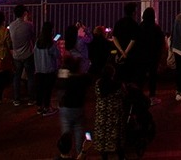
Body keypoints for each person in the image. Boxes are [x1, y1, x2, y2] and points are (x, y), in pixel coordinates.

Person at [58, 31, 90, 159]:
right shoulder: (82, 78)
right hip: (79, 108)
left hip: (66, 107)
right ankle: (80, 154)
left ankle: (66, 154)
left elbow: (59, 83)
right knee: (79, 131)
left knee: (66, 133)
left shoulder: (65, 76)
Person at [89, 68, 125, 160]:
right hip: (113, 116)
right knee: (115, 137)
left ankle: (104, 157)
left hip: (101, 115)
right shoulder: (117, 85)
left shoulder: (98, 84)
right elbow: (123, 94)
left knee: (102, 137)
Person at [9, 3, 36, 107]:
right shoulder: (29, 25)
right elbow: (32, 37)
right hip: (27, 54)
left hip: (16, 55)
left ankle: (16, 99)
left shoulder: (11, 25)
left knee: (16, 77)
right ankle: (31, 99)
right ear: (24, 13)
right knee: (30, 76)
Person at [135, 7, 164, 101]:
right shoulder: (156, 28)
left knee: (141, 77)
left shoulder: (140, 27)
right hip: (153, 56)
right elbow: (160, 42)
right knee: (152, 77)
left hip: (142, 56)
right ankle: (152, 96)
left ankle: (139, 95)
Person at [33, 20, 60, 116]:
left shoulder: (37, 42)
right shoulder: (50, 43)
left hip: (39, 69)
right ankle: (47, 108)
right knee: (48, 90)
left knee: (40, 89)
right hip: (49, 69)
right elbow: (57, 54)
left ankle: (39, 107)